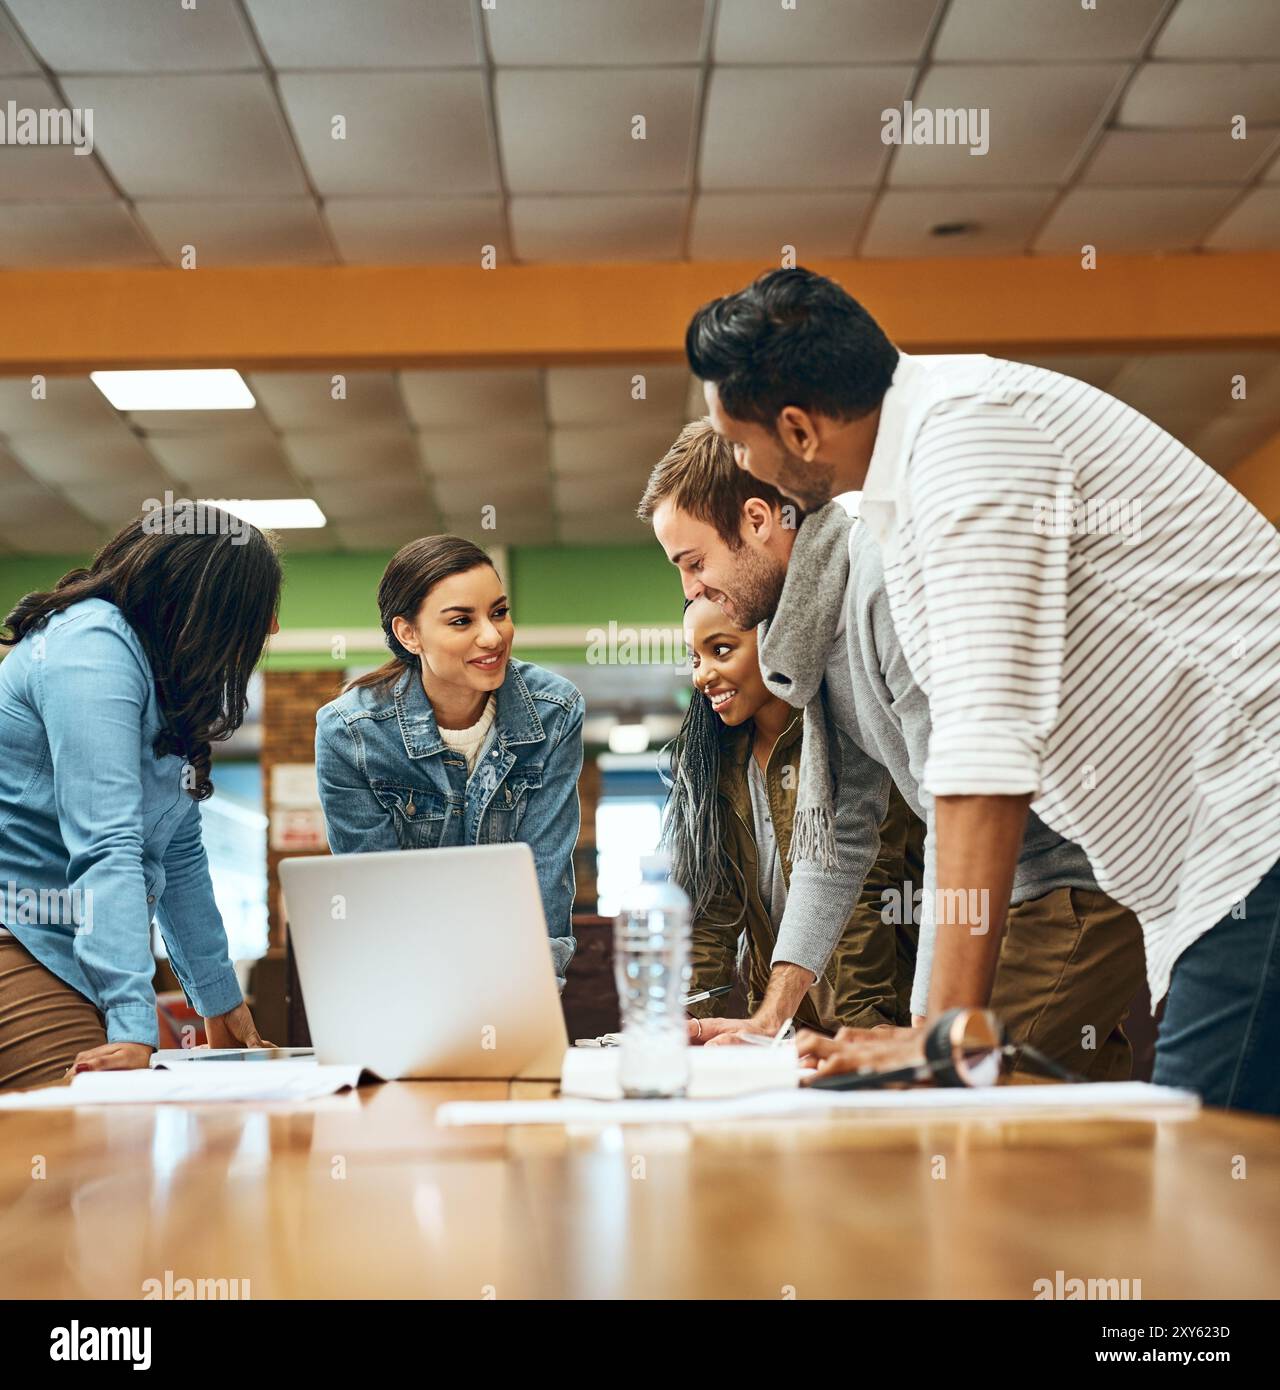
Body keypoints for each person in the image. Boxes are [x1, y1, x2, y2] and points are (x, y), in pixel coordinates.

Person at [685, 265, 1280, 1114]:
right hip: (1223, 852)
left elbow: (981, 744)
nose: (744, 469)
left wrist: (943, 1028)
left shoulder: (965, 445)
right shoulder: (912, 478)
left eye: (741, 444)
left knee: (1205, 1166)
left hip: (1257, 821)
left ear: (798, 430)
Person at [639, 418, 1145, 1079]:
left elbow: (957, 807)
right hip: (1016, 893)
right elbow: (839, 837)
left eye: (694, 563)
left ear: (759, 519)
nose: (692, 592)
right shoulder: (816, 628)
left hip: (1073, 887)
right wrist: (771, 1019)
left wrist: (925, 1032)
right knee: (1065, 1124)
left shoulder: (884, 583)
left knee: (945, 1090)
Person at [0, 505, 280, 1088]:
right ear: (207, 604)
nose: (270, 629)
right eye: (257, 611)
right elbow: (108, 842)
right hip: (17, 931)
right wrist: (131, 1024)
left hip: (61, 941)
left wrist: (219, 1000)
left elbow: (177, 854)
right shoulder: (92, 648)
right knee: (97, 1128)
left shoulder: (159, 676)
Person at [315, 535, 583, 986]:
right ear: (409, 633)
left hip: (517, 980)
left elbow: (545, 876)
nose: (492, 636)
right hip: (404, 985)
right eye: (462, 621)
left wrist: (526, 996)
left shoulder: (555, 711)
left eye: (499, 612)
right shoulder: (352, 734)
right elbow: (376, 900)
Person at [668, 595, 921, 1038]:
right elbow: (715, 910)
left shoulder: (851, 737)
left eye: (721, 650)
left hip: (880, 1023)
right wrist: (683, 1026)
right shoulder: (716, 762)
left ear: (779, 639)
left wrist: (863, 1028)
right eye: (694, 657)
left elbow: (866, 895)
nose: (702, 674)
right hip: (782, 1025)